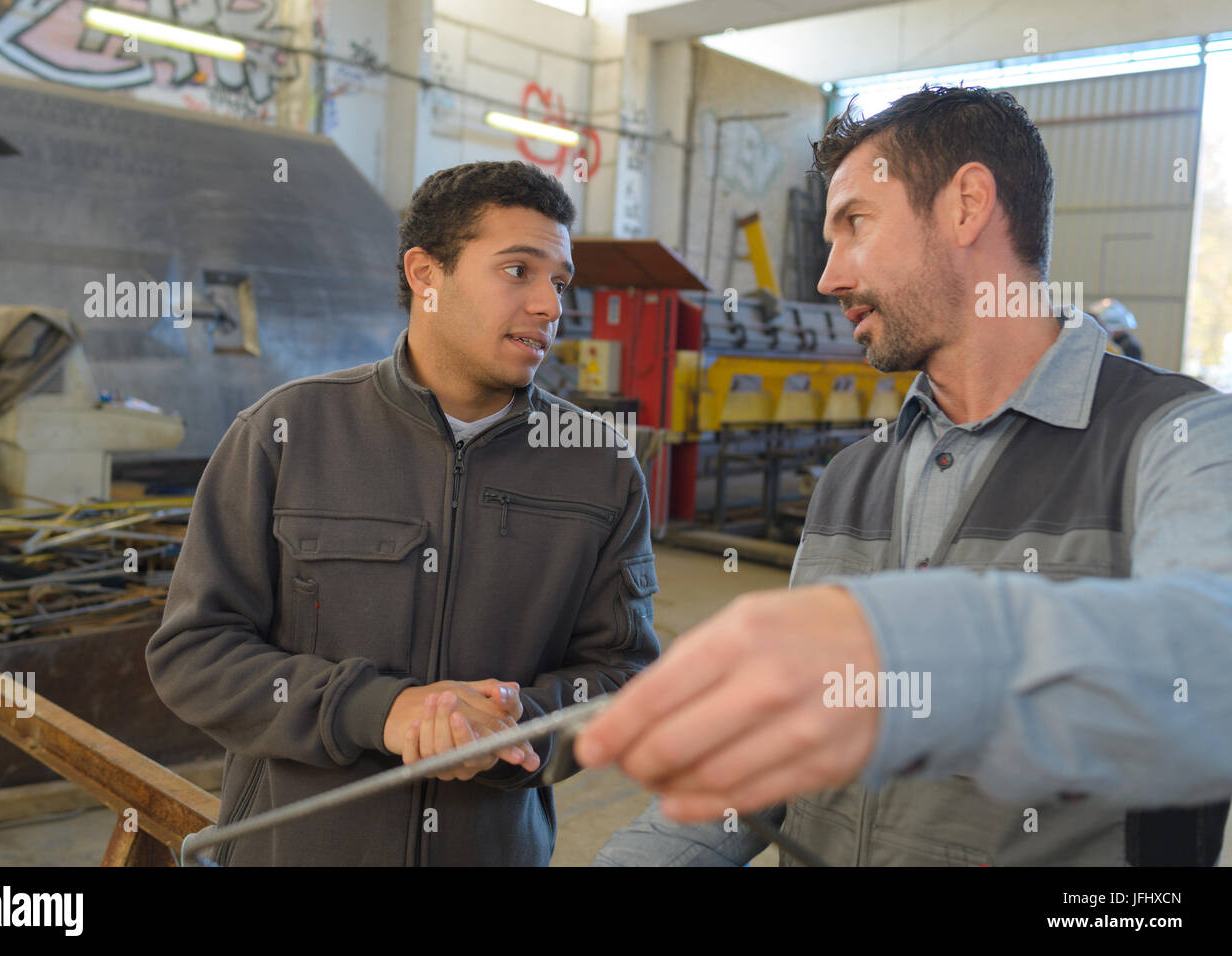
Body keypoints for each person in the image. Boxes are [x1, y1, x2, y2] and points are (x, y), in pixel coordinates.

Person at [577, 85, 1232, 866]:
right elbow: (768, 767)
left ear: (966, 206)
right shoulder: (854, 476)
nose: (826, 277)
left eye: (854, 223)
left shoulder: (1179, 436)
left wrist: (904, 649)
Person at [146, 160, 660, 865]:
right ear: (426, 275)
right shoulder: (288, 433)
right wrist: (382, 711)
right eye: (518, 271)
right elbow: (193, 652)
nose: (550, 306)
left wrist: (518, 723)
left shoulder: (598, 467)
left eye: (560, 282)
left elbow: (624, 676)